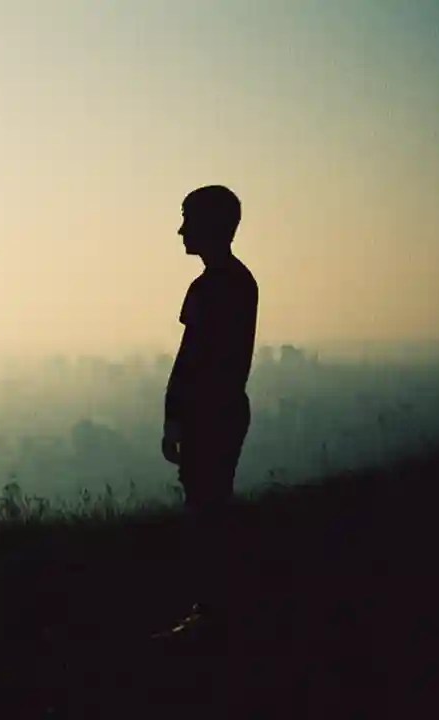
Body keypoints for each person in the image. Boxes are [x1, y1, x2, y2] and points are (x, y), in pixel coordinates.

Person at [157, 185, 258, 640]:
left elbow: (191, 358)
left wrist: (176, 417)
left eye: (187, 219)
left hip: (208, 415)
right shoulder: (239, 282)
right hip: (224, 410)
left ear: (210, 225)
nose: (180, 229)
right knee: (212, 508)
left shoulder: (212, 286)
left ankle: (212, 615)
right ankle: (220, 609)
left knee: (205, 513)